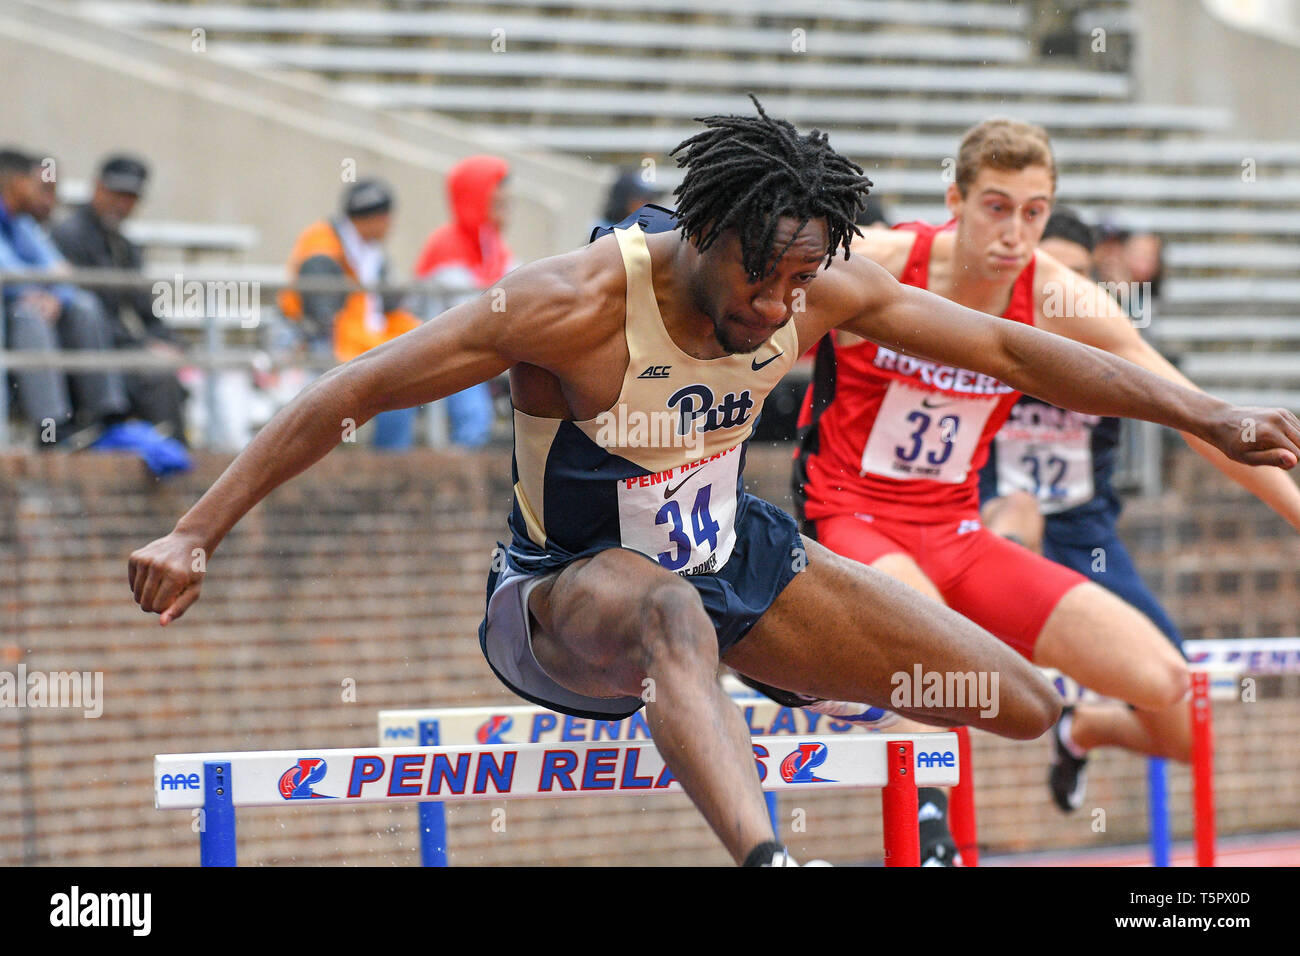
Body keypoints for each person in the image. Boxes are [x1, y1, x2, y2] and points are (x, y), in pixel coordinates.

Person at [128, 101, 1299, 866]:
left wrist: (1209, 411)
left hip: (737, 557)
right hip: (567, 591)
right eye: (766, 278)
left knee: (1007, 697)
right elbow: (349, 391)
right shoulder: (567, 301)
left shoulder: (812, 281)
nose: (784, 308)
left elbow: (1006, 348)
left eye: (804, 283)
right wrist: (195, 530)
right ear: (704, 230)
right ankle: (767, 856)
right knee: (666, 610)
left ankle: (845, 685)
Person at [777, 118, 1300, 861]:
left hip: (958, 533)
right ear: (954, 199)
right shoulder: (881, 264)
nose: (1014, 233)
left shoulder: (1056, 296)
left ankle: (1081, 728)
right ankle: (932, 836)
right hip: (853, 516)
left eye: (1034, 212)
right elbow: (754, 331)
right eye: (995, 206)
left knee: (1169, 689)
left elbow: (1198, 417)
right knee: (933, 659)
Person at [978, 207, 1186, 813]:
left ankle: (1081, 731)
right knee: (1018, 510)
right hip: (995, 523)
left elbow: (1191, 408)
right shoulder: (989, 341)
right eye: (1050, 276)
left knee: (1188, 731)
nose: (1059, 295)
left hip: (1089, 538)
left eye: (1077, 279)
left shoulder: (1110, 344)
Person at [51, 154, 189, 444]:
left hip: (117, 346)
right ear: (97, 188)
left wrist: (171, 342)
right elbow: (82, 317)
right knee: (156, 374)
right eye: (116, 193)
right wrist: (144, 346)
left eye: (130, 196)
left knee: (170, 364)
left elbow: (147, 312)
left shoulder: (125, 245)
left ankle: (167, 458)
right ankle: (170, 458)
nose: (122, 203)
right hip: (81, 352)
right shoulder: (69, 235)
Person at [278, 179, 421, 450]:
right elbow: (321, 317)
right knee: (399, 388)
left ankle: (391, 461)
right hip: (331, 350)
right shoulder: (322, 246)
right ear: (377, 218)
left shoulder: (370, 250)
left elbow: (388, 306)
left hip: (366, 346)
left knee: (422, 370)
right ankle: (387, 464)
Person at [412, 155, 514, 448]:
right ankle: (462, 484)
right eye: (497, 203)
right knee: (475, 416)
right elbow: (472, 307)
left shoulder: (493, 245)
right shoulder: (445, 244)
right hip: (446, 353)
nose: (505, 212)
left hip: (485, 351)